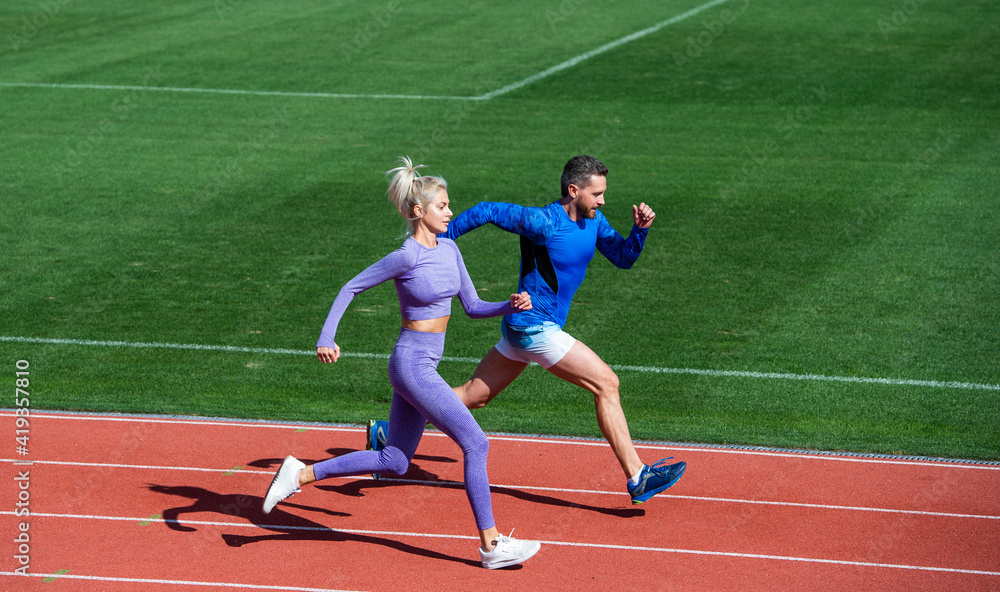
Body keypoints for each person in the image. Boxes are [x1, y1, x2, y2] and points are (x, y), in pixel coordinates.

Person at [263, 157, 541, 569]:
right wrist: (327, 336)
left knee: (394, 460)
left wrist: (509, 305)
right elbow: (351, 287)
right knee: (476, 443)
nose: (450, 211)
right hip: (412, 365)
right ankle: (491, 545)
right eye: (442, 206)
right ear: (418, 212)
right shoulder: (406, 257)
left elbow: (472, 306)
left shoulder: (450, 249)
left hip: (423, 364)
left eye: (449, 204)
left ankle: (300, 474)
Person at [369, 155, 686, 505]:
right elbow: (487, 210)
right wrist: (440, 243)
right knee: (607, 383)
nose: (602, 200)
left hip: (522, 331)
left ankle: (389, 434)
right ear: (573, 190)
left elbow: (624, 257)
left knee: (475, 395)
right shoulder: (542, 221)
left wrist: (640, 230)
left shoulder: (595, 222)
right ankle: (637, 476)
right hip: (535, 327)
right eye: (596, 193)